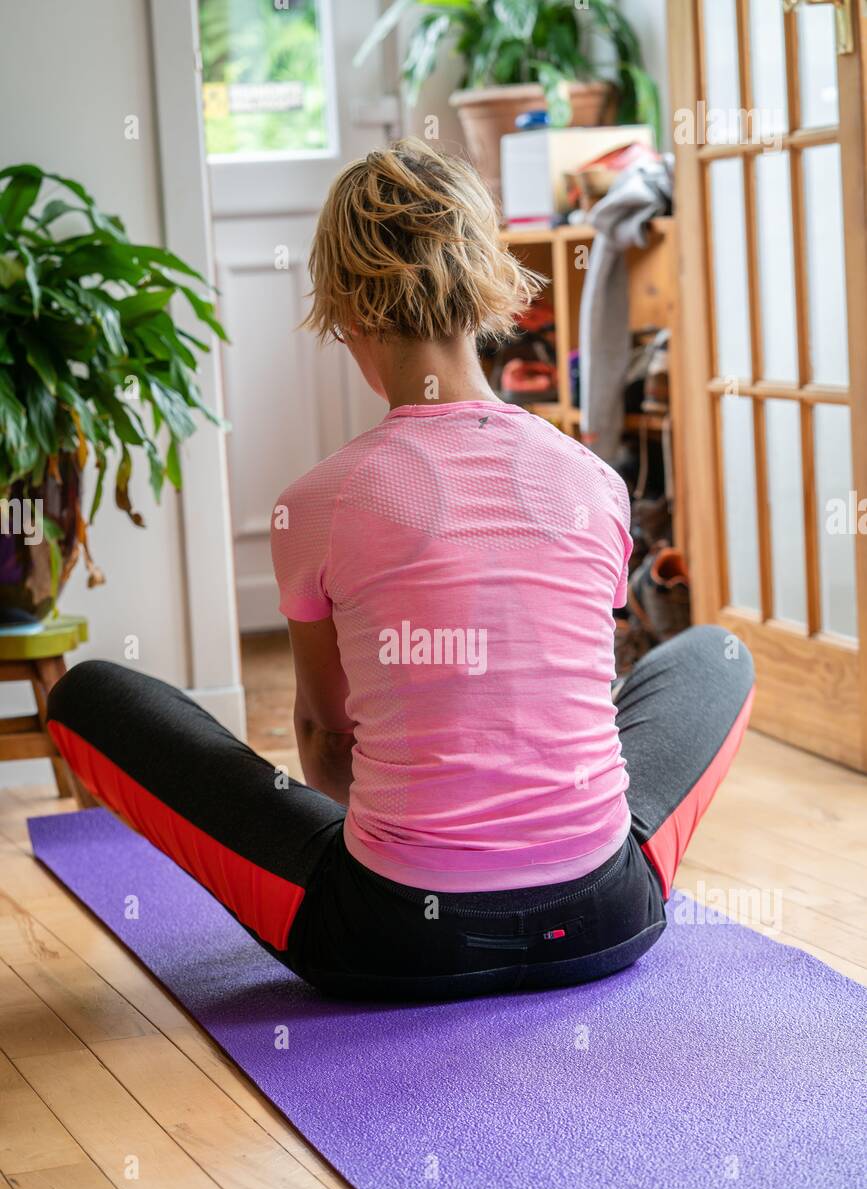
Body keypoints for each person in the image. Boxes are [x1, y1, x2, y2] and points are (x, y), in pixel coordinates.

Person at [47, 139, 755, 1002]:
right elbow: (573, 688)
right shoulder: (594, 482)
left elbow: (324, 738)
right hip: (605, 918)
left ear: (343, 309)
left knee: (88, 695)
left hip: (389, 940)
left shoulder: (317, 501)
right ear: (486, 285)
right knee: (716, 654)